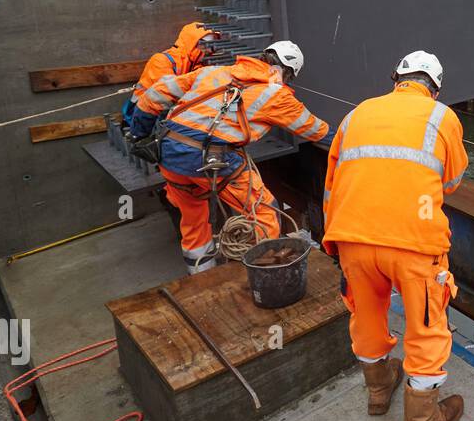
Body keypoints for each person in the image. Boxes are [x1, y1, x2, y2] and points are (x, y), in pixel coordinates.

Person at [322, 51, 469, 421]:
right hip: (412, 244)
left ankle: (378, 392)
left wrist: (337, 238)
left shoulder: (356, 115)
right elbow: (452, 179)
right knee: (425, 329)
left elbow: (332, 185)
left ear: (396, 79)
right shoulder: (442, 117)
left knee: (366, 318)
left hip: (352, 238)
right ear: (435, 87)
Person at [131, 41, 331, 274]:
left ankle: (202, 275)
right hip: (212, 162)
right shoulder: (276, 96)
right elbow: (318, 132)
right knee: (264, 211)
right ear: (286, 72)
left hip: (169, 154)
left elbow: (154, 94)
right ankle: (266, 275)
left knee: (193, 217)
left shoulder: (213, 72)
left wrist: (139, 134)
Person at [122, 22, 220, 132]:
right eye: (206, 46)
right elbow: (164, 95)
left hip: (169, 110)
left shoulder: (198, 65)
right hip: (143, 114)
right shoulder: (160, 60)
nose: (209, 51)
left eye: (213, 47)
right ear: (191, 43)